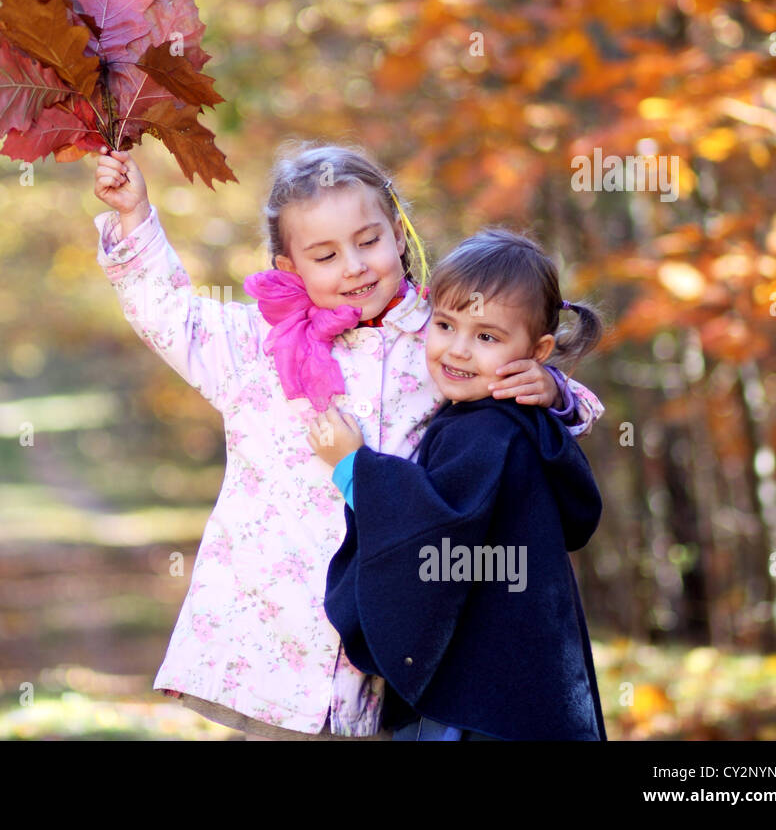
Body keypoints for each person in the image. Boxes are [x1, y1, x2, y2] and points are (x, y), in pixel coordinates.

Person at [92, 140, 606, 739]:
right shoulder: (255, 346)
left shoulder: (438, 338)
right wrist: (135, 217)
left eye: (368, 241)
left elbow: (549, 412)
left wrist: (551, 387)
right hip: (266, 629)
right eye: (326, 255)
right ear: (291, 269)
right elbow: (170, 314)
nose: (355, 266)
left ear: (397, 231)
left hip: (377, 636)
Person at [308, 227, 608, 740]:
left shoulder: (490, 429)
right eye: (445, 325)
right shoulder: (519, 419)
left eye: (487, 337)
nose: (459, 350)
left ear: (537, 350)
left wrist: (355, 467)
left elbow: (438, 526)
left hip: (482, 697)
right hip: (528, 686)